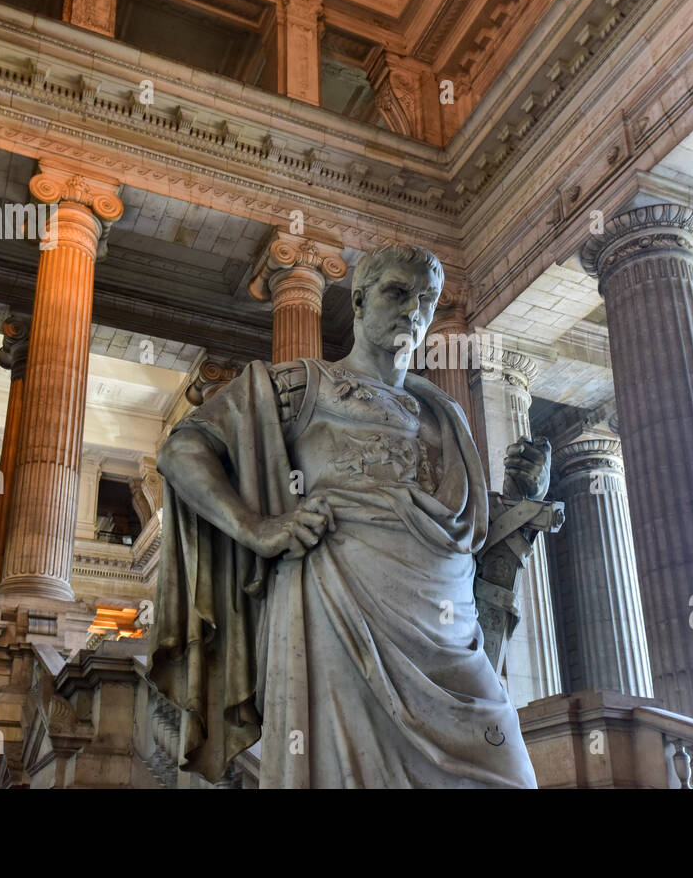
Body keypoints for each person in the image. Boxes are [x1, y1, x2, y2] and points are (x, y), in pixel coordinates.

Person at [150, 243, 550, 788]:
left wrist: (522, 494)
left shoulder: (444, 412)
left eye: (427, 299)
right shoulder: (298, 387)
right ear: (358, 301)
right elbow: (183, 451)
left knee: (509, 775)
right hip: (336, 612)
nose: (414, 309)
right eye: (397, 292)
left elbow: (468, 543)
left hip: (447, 632)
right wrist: (258, 528)